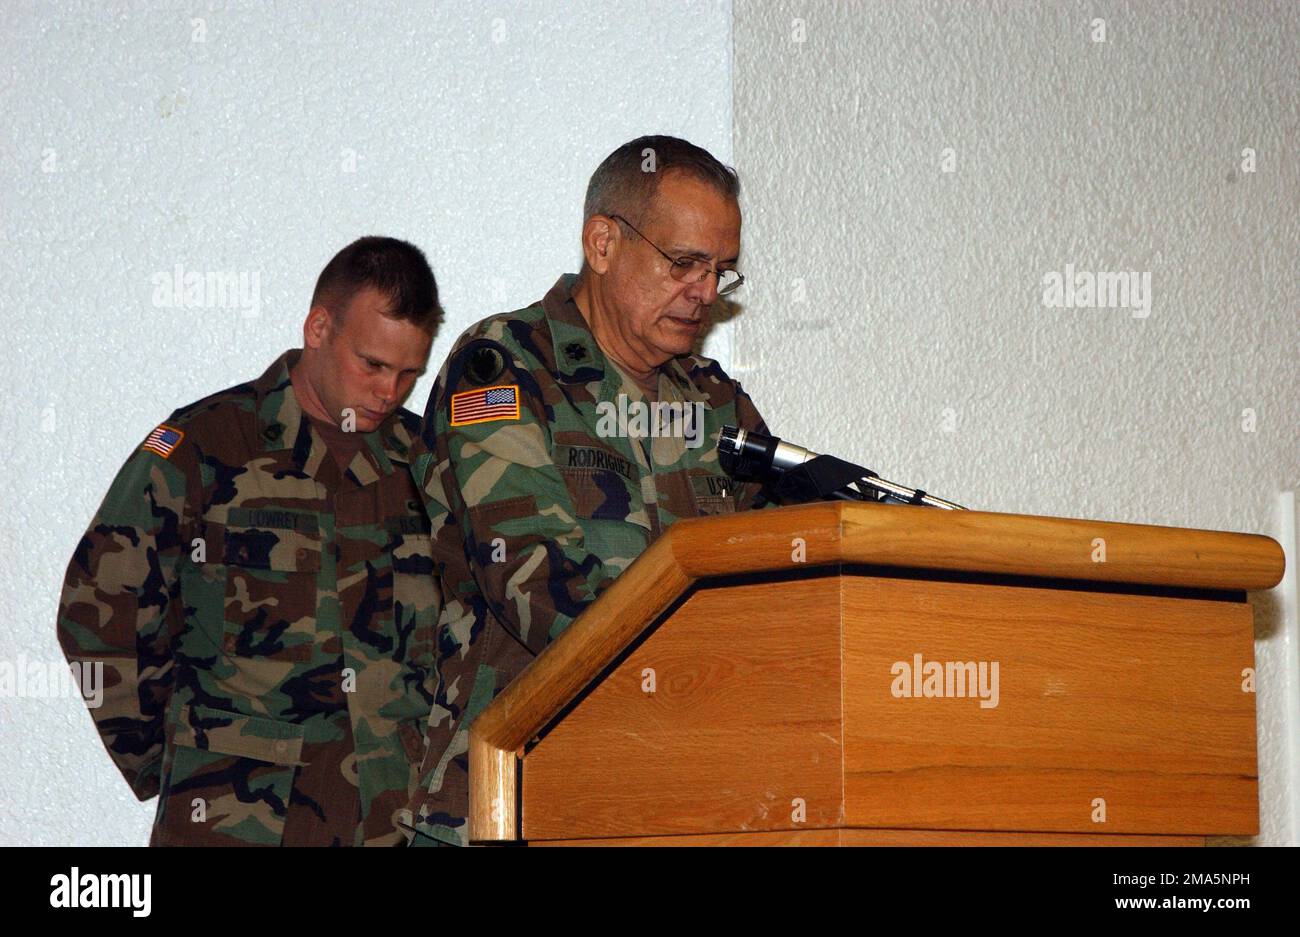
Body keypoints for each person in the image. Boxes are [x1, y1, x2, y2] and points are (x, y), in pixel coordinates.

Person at [404, 136, 773, 846]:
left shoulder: (716, 406)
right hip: (513, 802)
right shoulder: (502, 370)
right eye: (685, 262)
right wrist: (707, 675)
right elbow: (535, 581)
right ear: (603, 242)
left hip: (677, 811)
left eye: (721, 272)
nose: (703, 292)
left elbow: (782, 574)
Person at [57, 236, 443, 845]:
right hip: (237, 816)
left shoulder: (430, 465)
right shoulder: (207, 445)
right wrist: (177, 757)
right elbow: (101, 605)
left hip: (392, 815)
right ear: (318, 327)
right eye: (371, 364)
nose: (389, 392)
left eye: (408, 373)